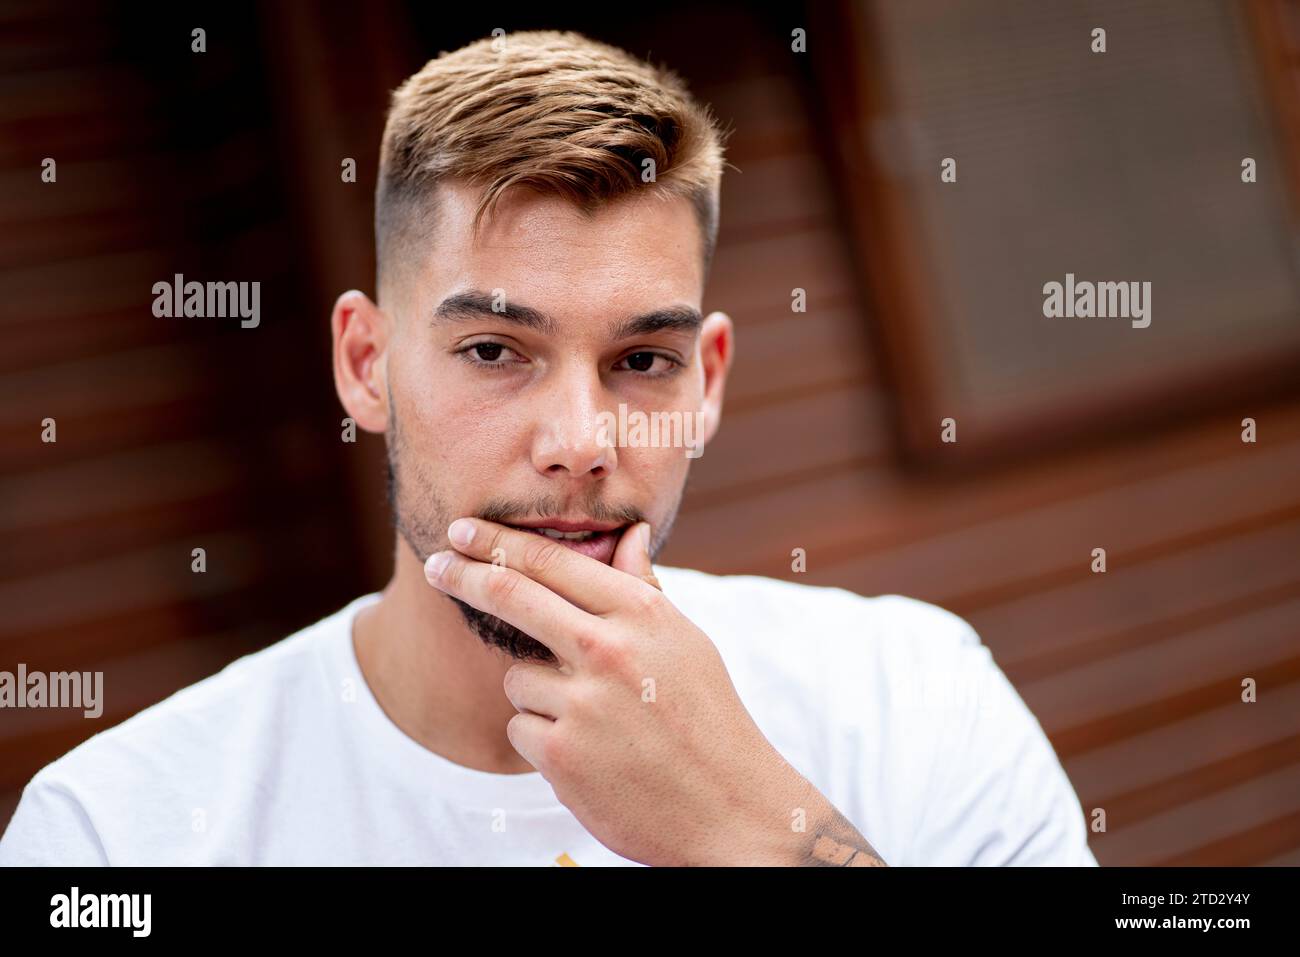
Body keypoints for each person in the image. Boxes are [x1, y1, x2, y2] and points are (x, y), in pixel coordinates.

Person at [0, 30, 1096, 867]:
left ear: (706, 382)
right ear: (365, 364)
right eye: (493, 349)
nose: (580, 444)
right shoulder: (116, 832)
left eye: (641, 361)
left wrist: (750, 832)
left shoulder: (910, 693)